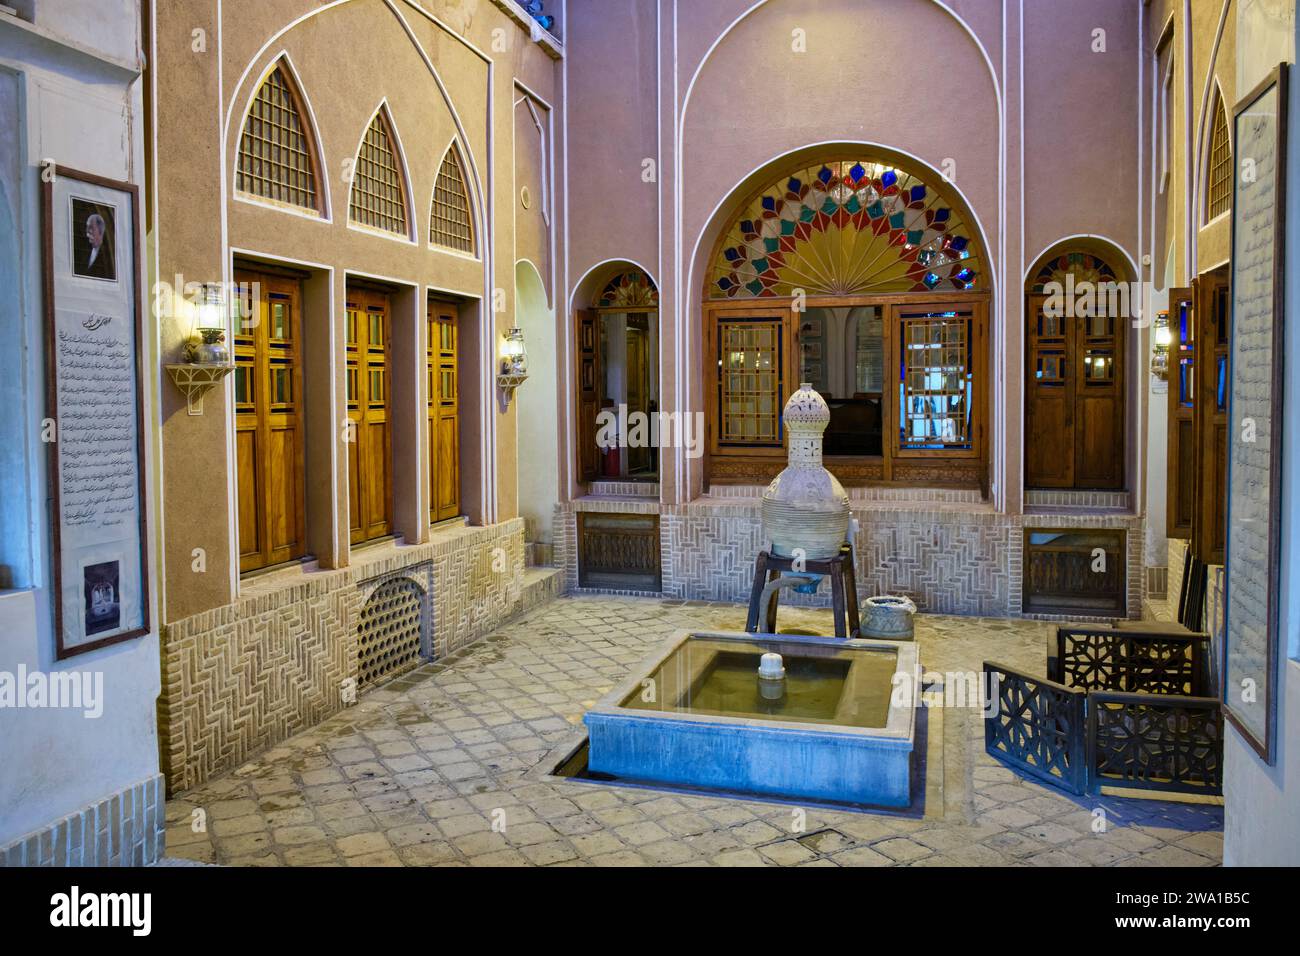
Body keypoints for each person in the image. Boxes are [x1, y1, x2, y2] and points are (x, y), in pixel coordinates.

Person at [78, 211, 115, 279]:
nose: (87, 232)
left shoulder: (108, 256)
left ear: (100, 230)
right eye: (87, 227)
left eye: (91, 227)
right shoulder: (85, 251)